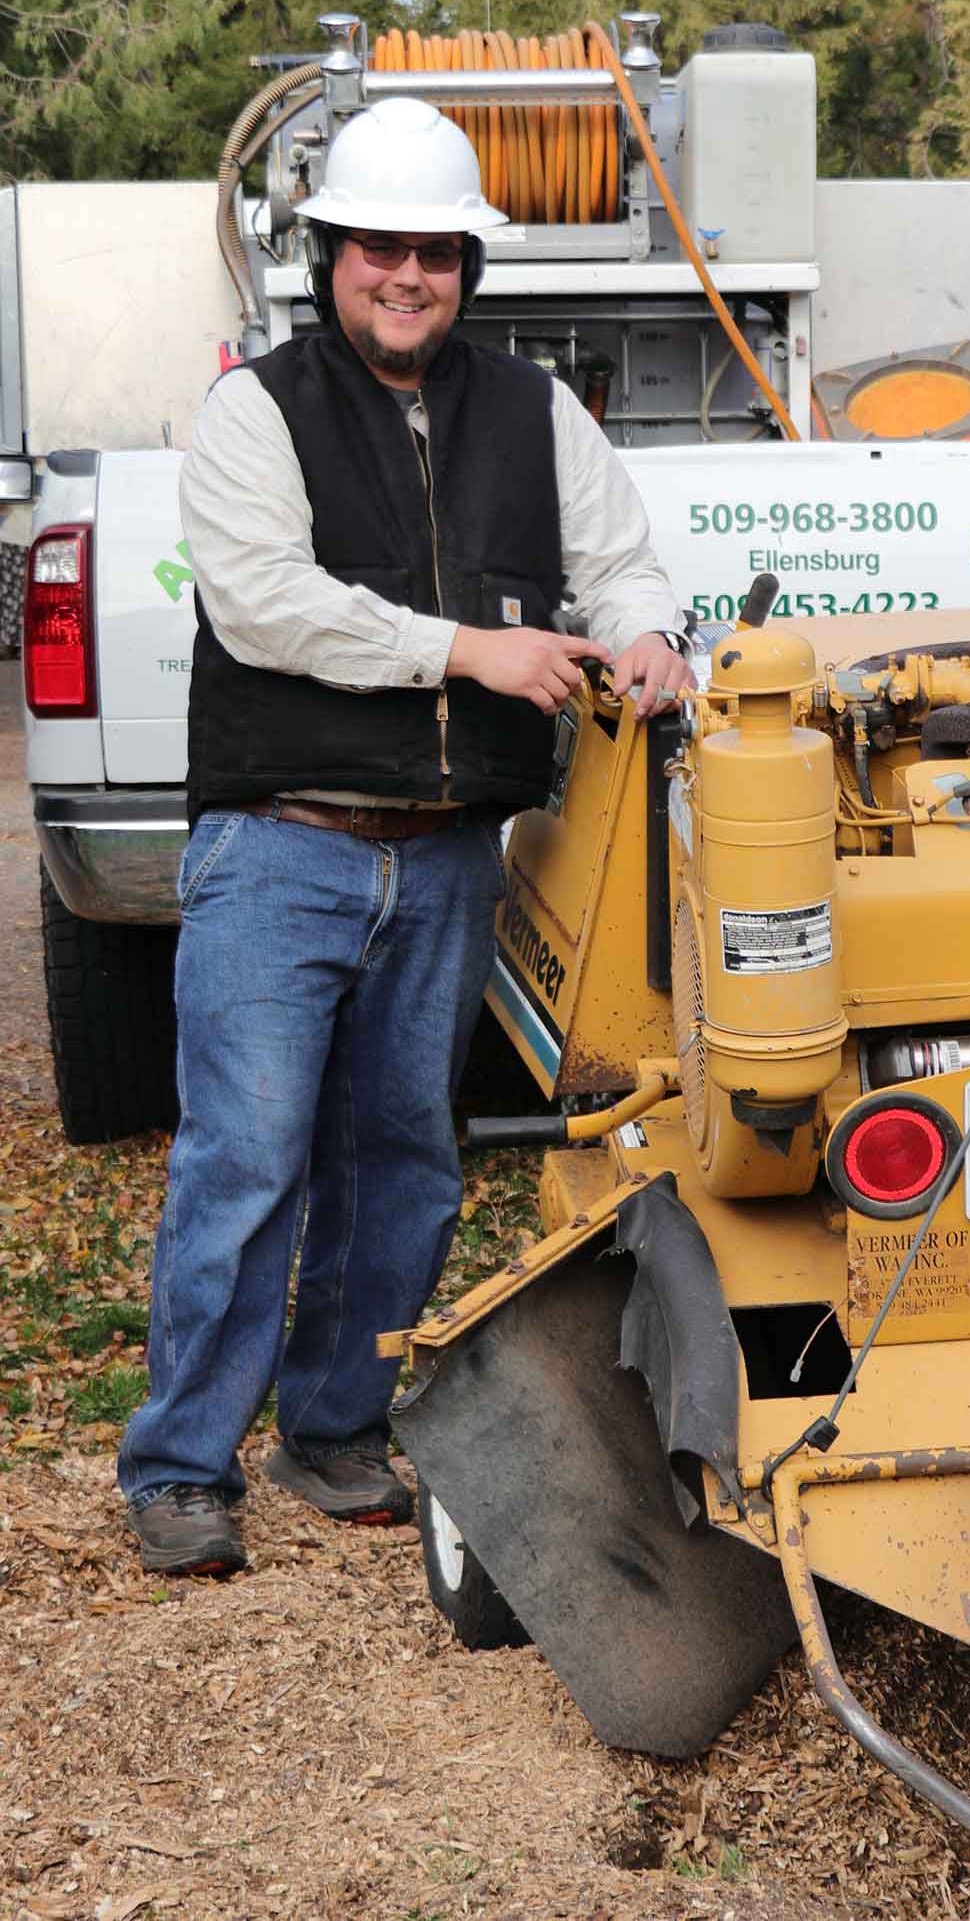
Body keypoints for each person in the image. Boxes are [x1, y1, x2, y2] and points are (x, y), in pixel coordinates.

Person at [116, 96, 692, 1575]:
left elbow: (621, 560)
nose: (405, 275)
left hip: (446, 860)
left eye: (432, 252)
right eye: (378, 247)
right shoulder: (257, 407)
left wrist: (643, 634)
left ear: (466, 267)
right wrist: (466, 652)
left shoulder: (535, 412)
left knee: (405, 1162)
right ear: (330, 254)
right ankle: (182, 1463)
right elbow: (264, 602)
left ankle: (333, 1429)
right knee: (246, 1158)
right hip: (279, 847)